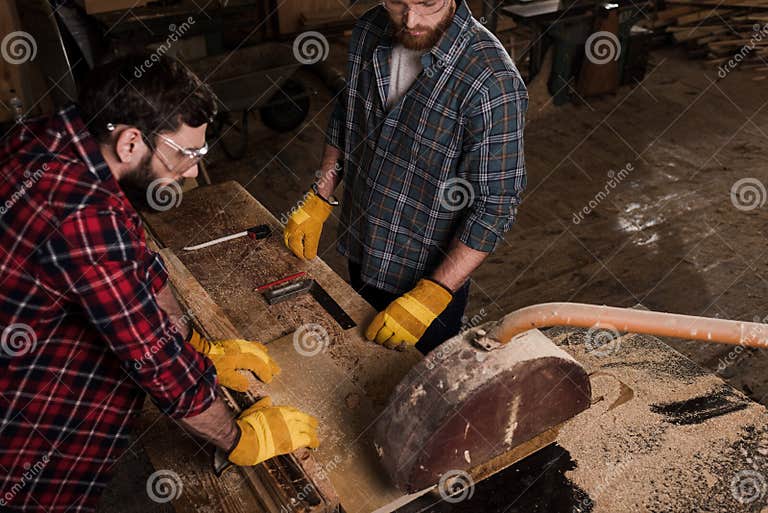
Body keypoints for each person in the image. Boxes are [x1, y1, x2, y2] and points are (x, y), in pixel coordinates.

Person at [0, 54, 318, 512]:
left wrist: (194, 344)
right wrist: (238, 437)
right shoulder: (80, 216)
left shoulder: (59, 138)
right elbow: (152, 360)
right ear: (131, 142)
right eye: (187, 154)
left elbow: (135, 255)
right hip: (30, 435)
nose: (192, 172)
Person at [284, 0, 528, 353]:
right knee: (362, 363)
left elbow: (495, 206)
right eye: (397, 2)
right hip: (361, 247)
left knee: (420, 379)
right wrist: (319, 197)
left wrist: (433, 294)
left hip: (424, 280)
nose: (411, 19)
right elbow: (347, 116)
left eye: (427, 2)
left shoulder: (492, 81)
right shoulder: (369, 29)